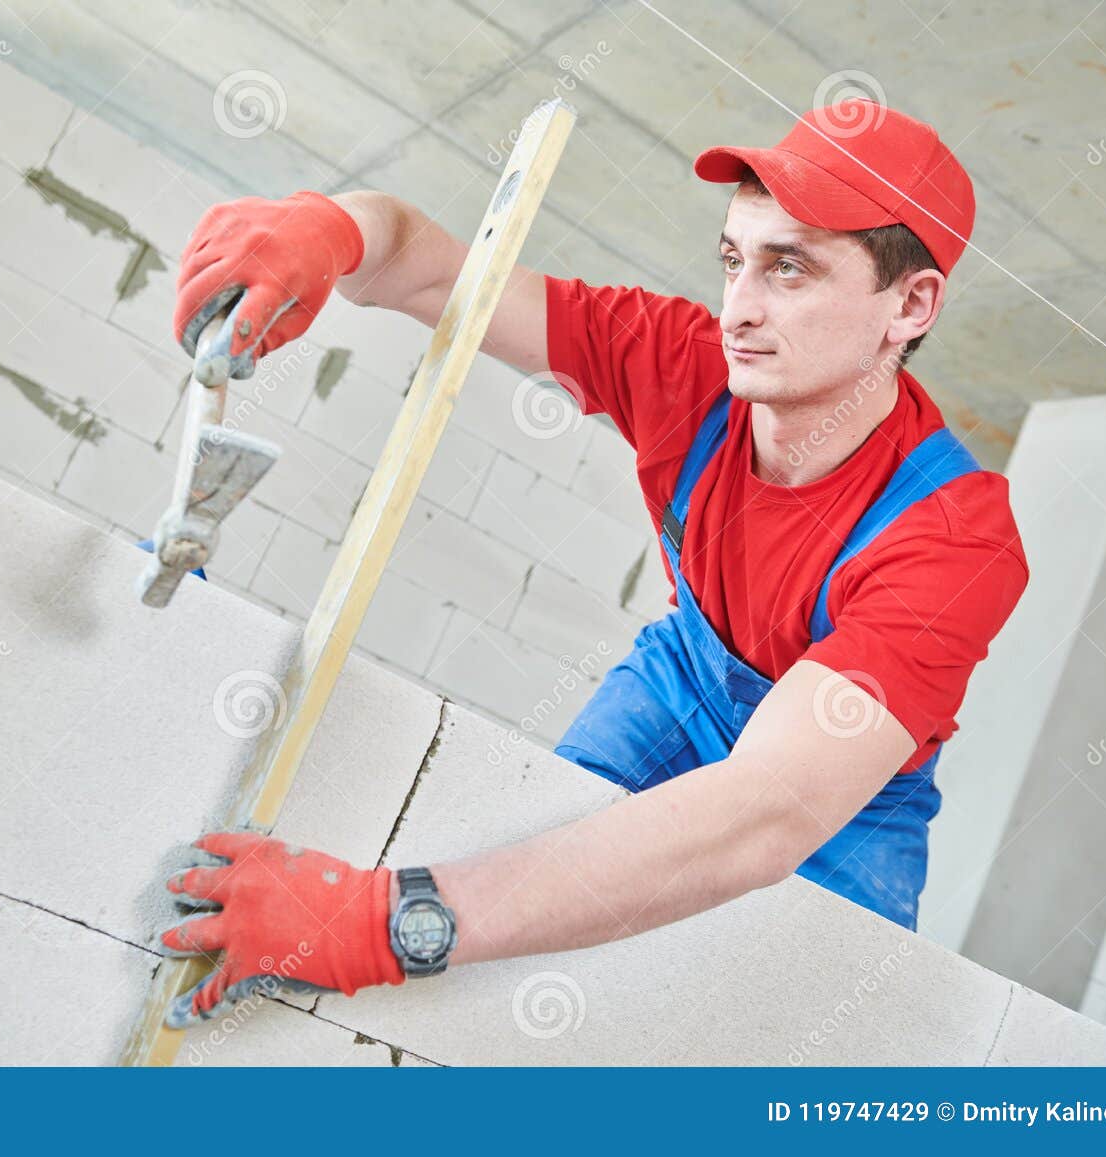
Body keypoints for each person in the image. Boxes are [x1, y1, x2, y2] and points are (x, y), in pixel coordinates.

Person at [157, 99, 1028, 1028]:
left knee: (773, 1041)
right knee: (520, 932)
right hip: (684, 678)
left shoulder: (954, 539)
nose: (740, 309)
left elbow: (768, 809)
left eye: (791, 269)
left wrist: (380, 919)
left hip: (839, 804)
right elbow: (424, 268)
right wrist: (327, 230)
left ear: (912, 304)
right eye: (734, 259)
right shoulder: (684, 365)